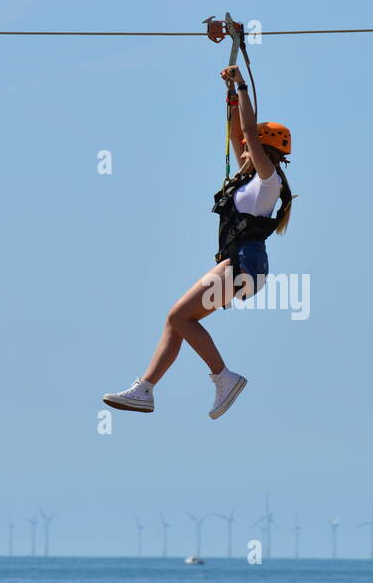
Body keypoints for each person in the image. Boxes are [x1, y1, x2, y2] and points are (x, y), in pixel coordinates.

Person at [103, 64, 294, 419]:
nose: (243, 149)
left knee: (180, 316)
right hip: (240, 266)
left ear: (263, 150)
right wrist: (231, 100)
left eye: (250, 147)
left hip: (243, 266)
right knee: (176, 320)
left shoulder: (268, 182)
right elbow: (242, 132)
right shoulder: (250, 178)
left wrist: (242, 88)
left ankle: (224, 377)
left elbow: (249, 133)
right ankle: (145, 389)